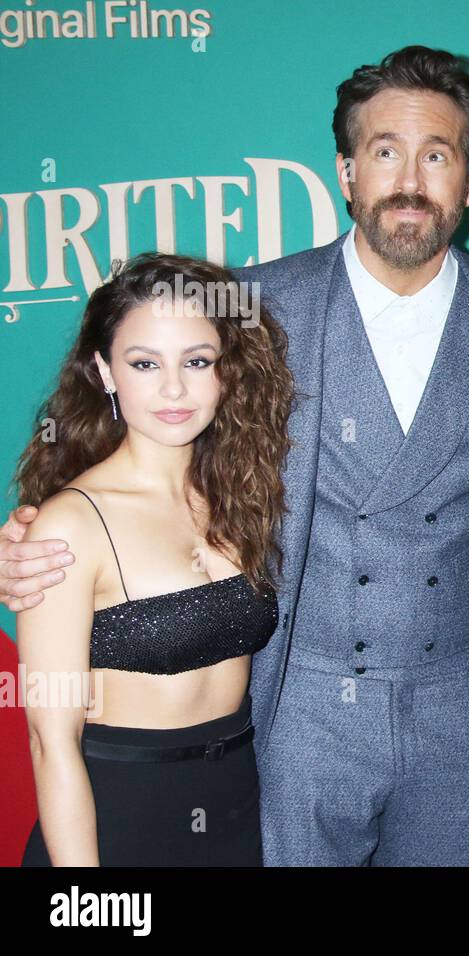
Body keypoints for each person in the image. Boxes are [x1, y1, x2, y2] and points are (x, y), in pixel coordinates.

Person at [2, 46, 469, 866]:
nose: (410, 178)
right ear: (345, 171)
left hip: (465, 717)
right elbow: (148, 437)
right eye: (383, 152)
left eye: (436, 154)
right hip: (301, 711)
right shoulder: (249, 307)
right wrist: (31, 538)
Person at [15, 253, 292, 865]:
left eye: (197, 361)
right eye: (144, 363)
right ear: (105, 371)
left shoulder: (243, 493)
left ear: (227, 372)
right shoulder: (69, 523)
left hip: (236, 806)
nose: (174, 388)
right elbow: (50, 740)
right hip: (118, 819)